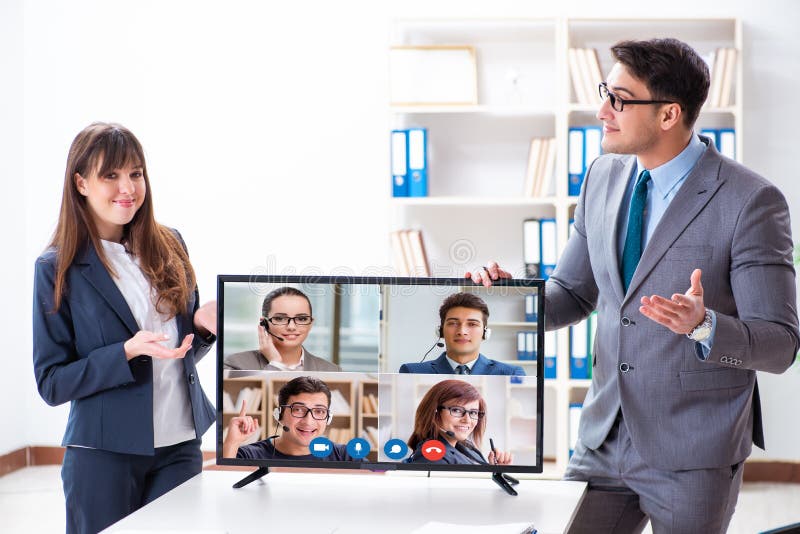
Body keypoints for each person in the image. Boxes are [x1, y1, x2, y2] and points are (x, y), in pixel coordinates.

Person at [468, 38, 799, 533]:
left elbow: (780, 346)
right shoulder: (602, 175)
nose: (602, 110)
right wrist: (511, 298)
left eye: (620, 99)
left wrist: (704, 325)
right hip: (602, 437)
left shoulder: (751, 202)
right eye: (606, 92)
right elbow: (573, 294)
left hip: (693, 451)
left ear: (669, 115)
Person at [32, 122, 218, 534]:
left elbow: (174, 353)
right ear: (81, 183)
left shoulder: (172, 244)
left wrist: (203, 331)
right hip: (104, 452)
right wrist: (125, 352)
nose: (127, 188)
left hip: (180, 444)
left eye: (135, 173)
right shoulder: (56, 268)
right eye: (110, 175)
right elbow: (51, 383)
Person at [223, 376, 354, 460]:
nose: (308, 421)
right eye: (298, 409)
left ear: (328, 418)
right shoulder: (250, 455)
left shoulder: (345, 455)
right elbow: (225, 487)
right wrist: (232, 443)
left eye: (319, 411)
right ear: (279, 415)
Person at [398, 292, 524, 376]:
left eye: (472, 324)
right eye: (453, 323)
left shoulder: (510, 374)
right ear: (440, 331)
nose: (462, 331)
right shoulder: (412, 372)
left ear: (485, 333)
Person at [224, 286, 341, 371]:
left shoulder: (332, 371)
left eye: (301, 319)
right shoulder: (236, 365)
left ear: (310, 324)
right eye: (280, 319)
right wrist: (275, 364)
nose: (291, 327)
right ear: (264, 323)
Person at [406, 379, 512, 465]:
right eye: (456, 410)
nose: (467, 420)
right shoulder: (432, 455)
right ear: (434, 412)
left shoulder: (464, 447)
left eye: (473, 412)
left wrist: (495, 471)